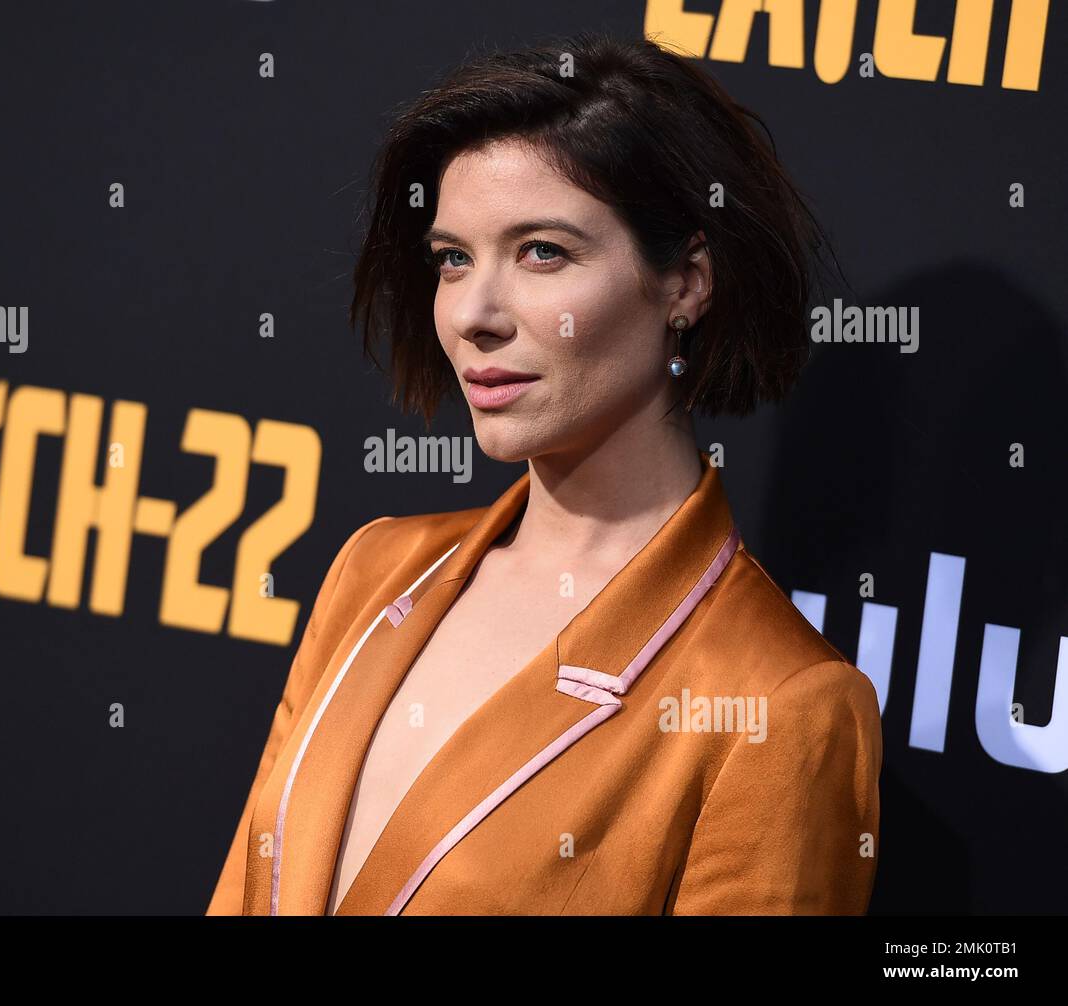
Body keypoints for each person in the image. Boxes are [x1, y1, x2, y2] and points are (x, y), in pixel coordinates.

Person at [206, 29, 881, 916]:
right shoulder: (375, 572)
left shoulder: (777, 702)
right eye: (453, 258)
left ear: (686, 283)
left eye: (542, 253)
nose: (474, 315)